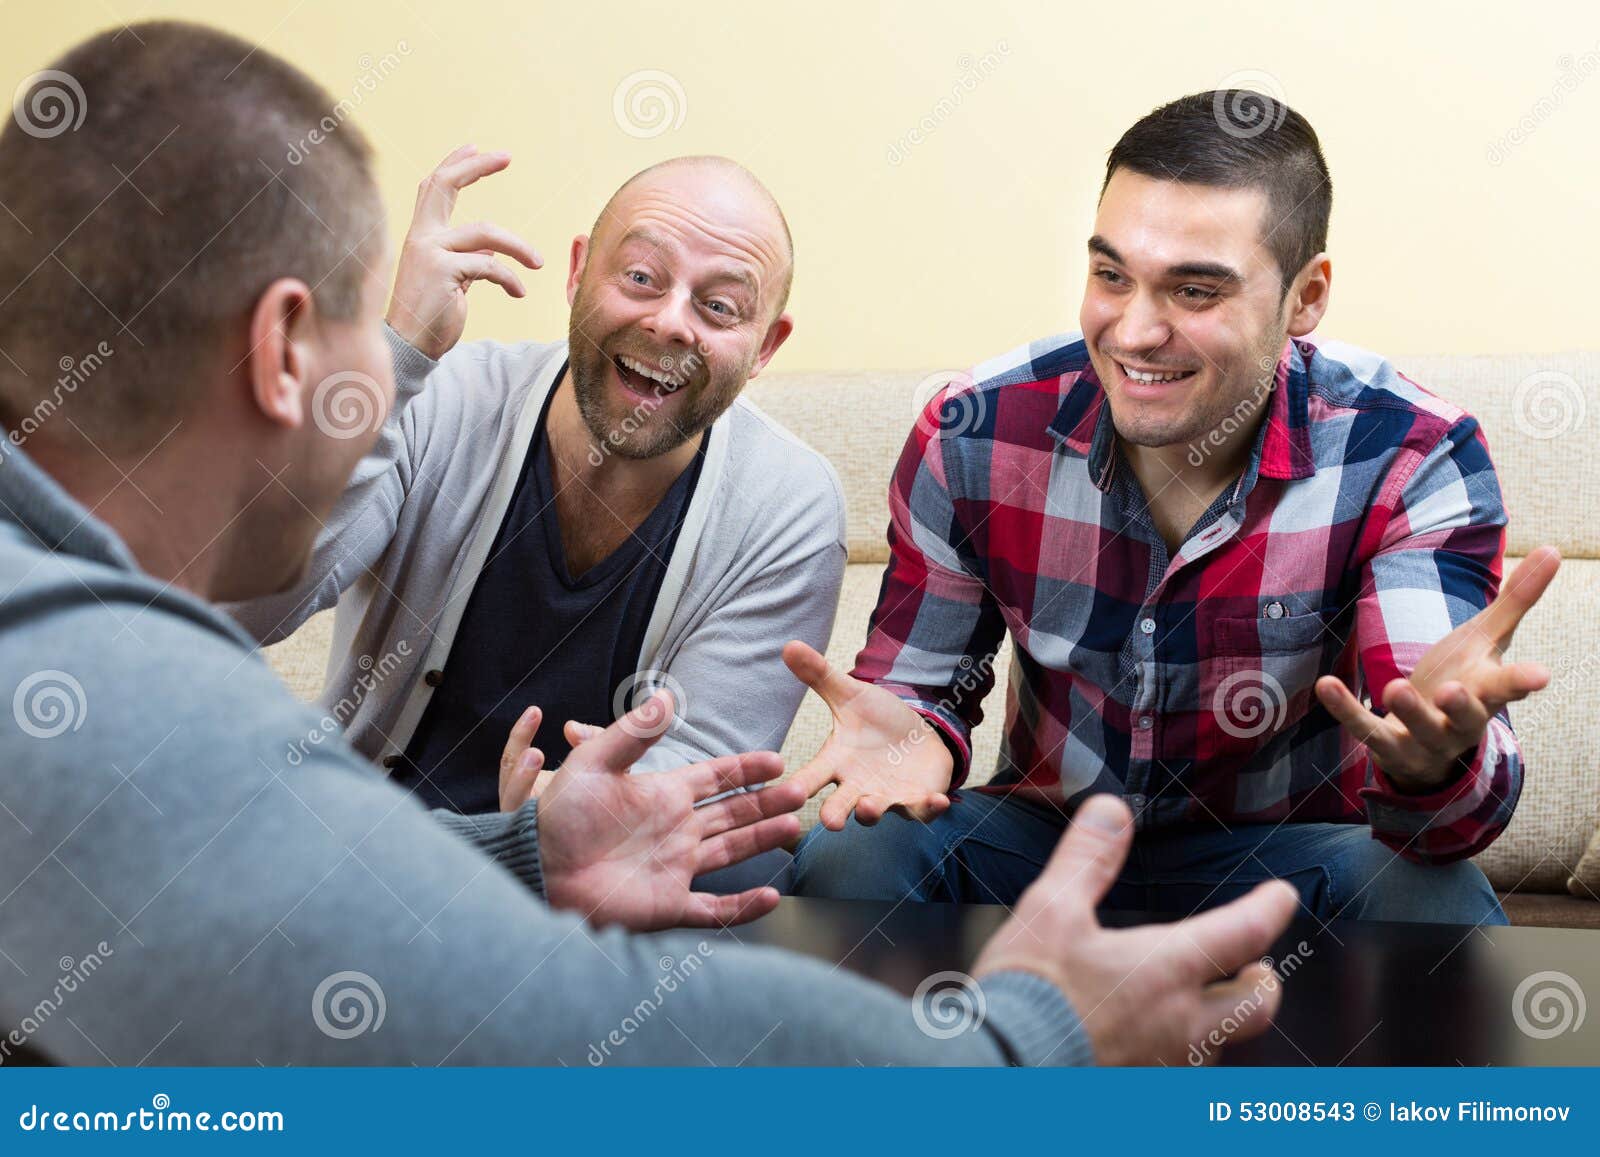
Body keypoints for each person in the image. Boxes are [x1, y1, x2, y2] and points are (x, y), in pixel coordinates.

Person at [0, 21, 1296, 1066]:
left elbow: (344, 877)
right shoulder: (105, 680)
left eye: (720, 302)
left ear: (766, 340)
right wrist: (1026, 1042)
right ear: (291, 352)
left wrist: (524, 846)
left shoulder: (78, 647)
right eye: (364, 324)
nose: (388, 365)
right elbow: (512, 1012)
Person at [785, 90, 1559, 926]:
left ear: (1306, 297)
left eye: (1194, 291)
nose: (1134, 331)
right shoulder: (974, 433)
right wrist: (913, 733)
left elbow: (1439, 790)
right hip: (1043, 852)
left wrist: (1429, 763)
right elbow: (918, 694)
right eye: (1112, 276)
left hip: (1282, 869)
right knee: (852, 853)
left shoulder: (1409, 454)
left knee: (1425, 897)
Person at [225, 143, 846, 870]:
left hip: (593, 896)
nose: (672, 323)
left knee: (759, 863)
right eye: (641, 276)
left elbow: (696, 789)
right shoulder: (447, 398)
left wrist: (557, 830)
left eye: (718, 306)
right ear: (579, 272)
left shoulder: (789, 507)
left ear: (766, 345)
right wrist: (393, 355)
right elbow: (253, 605)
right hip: (353, 851)